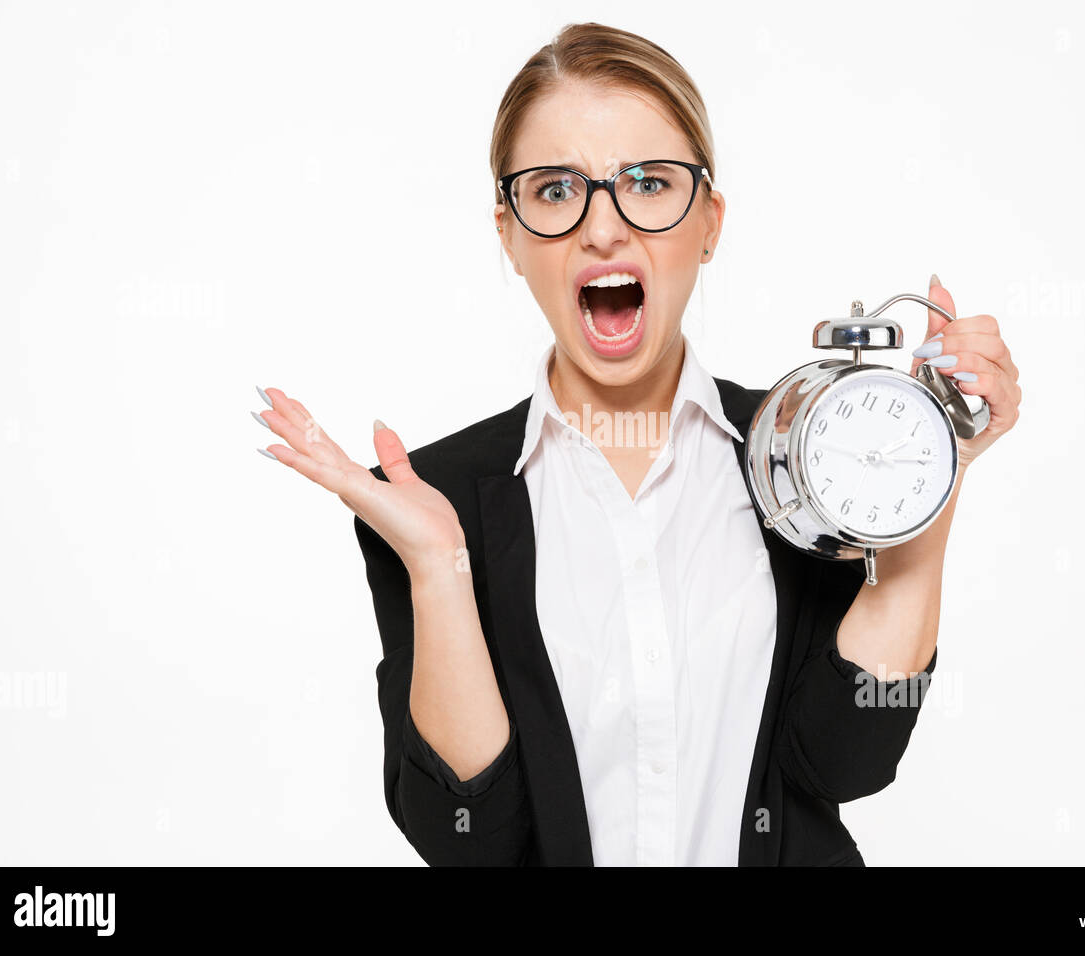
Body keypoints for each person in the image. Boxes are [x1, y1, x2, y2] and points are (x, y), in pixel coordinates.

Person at [251, 22, 1022, 866]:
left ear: (709, 223)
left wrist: (924, 468)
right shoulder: (429, 499)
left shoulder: (816, 452)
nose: (604, 229)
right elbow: (466, 842)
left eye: (648, 183)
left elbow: (848, 762)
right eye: (554, 191)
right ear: (507, 233)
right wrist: (441, 570)